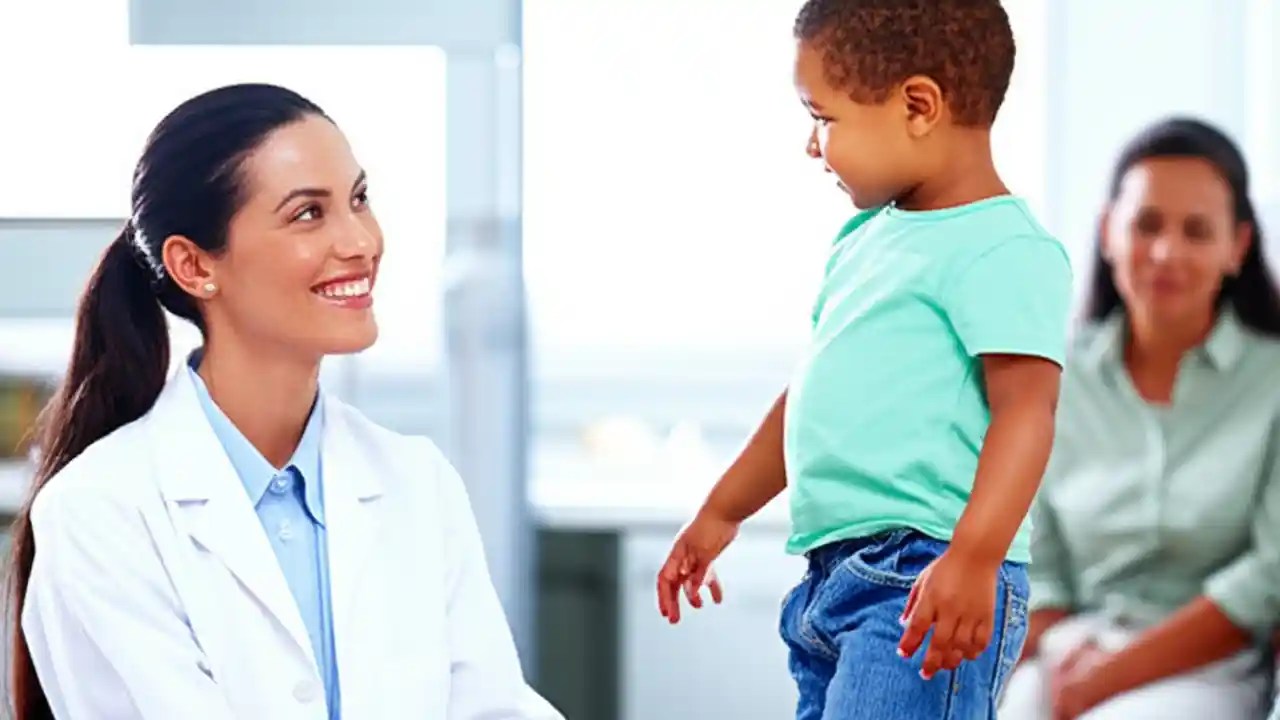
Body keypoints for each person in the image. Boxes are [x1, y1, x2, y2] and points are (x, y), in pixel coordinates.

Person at [6, 83, 562, 720]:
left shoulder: (415, 480)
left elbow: (490, 707)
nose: (361, 242)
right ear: (193, 266)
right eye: (308, 213)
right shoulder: (98, 513)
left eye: (359, 199)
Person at [654, 1, 1074, 717]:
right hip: (832, 579)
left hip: (924, 576)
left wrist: (973, 558)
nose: (813, 146)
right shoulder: (863, 240)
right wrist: (721, 511)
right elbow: (813, 402)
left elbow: (1027, 414)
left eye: (824, 117)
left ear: (918, 105)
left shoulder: (1005, 249)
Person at [999, 118, 1280, 719]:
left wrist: (1113, 676)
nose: (1165, 252)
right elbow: (1033, 559)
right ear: (1108, 233)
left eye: (1197, 231)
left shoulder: (1273, 382)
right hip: (1073, 643)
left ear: (1238, 246)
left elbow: (1269, 576)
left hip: (1211, 666)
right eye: (1146, 224)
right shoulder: (1055, 378)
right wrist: (1068, 653)